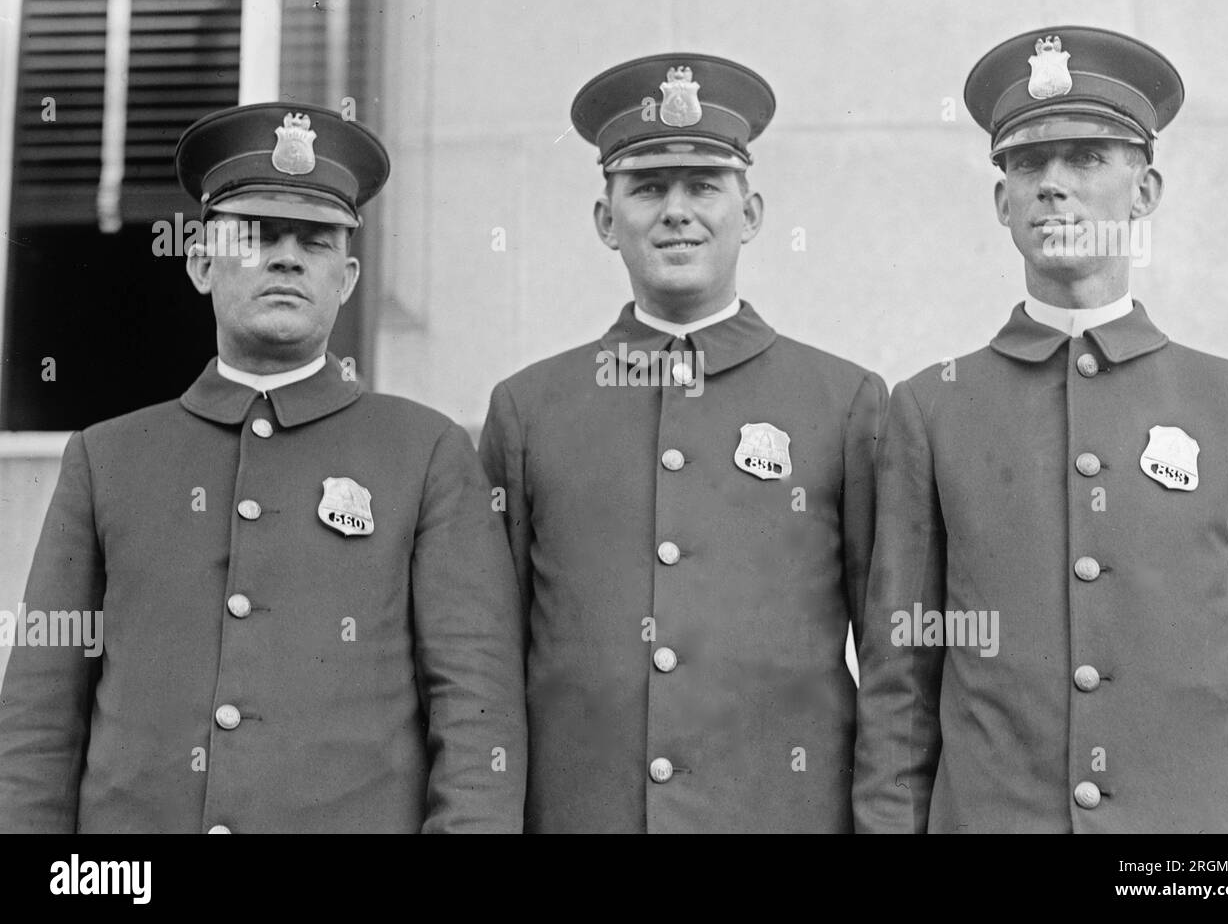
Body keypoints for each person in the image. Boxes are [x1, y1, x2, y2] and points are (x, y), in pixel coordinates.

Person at [0, 103, 526, 833]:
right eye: (256, 236)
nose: (285, 257)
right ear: (200, 262)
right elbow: (38, 720)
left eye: (314, 242)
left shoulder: (425, 453)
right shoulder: (107, 458)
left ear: (345, 278)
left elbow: (475, 715)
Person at [853, 26, 1228, 833]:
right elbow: (901, 683)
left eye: (1088, 158)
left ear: (1146, 190)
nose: (1054, 186)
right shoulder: (931, 409)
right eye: (1029, 165)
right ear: (1002, 202)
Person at [480, 53, 887, 832]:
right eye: (647, 188)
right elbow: (488, 667)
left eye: (703, 185)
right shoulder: (530, 410)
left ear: (753, 213)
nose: (677, 211)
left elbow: (892, 658)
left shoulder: (844, 403)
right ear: (606, 221)